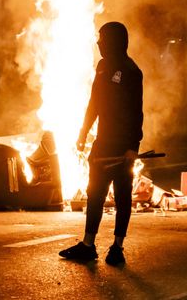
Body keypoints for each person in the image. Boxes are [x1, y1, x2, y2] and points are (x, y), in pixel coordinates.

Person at [59, 21, 144, 266]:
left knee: (122, 196)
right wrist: (83, 132)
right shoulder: (102, 67)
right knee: (94, 193)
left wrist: (133, 147)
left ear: (116, 41)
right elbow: (94, 102)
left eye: (102, 38)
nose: (98, 42)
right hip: (102, 143)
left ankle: (117, 246)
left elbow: (136, 112)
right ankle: (88, 244)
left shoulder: (131, 71)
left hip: (122, 144)